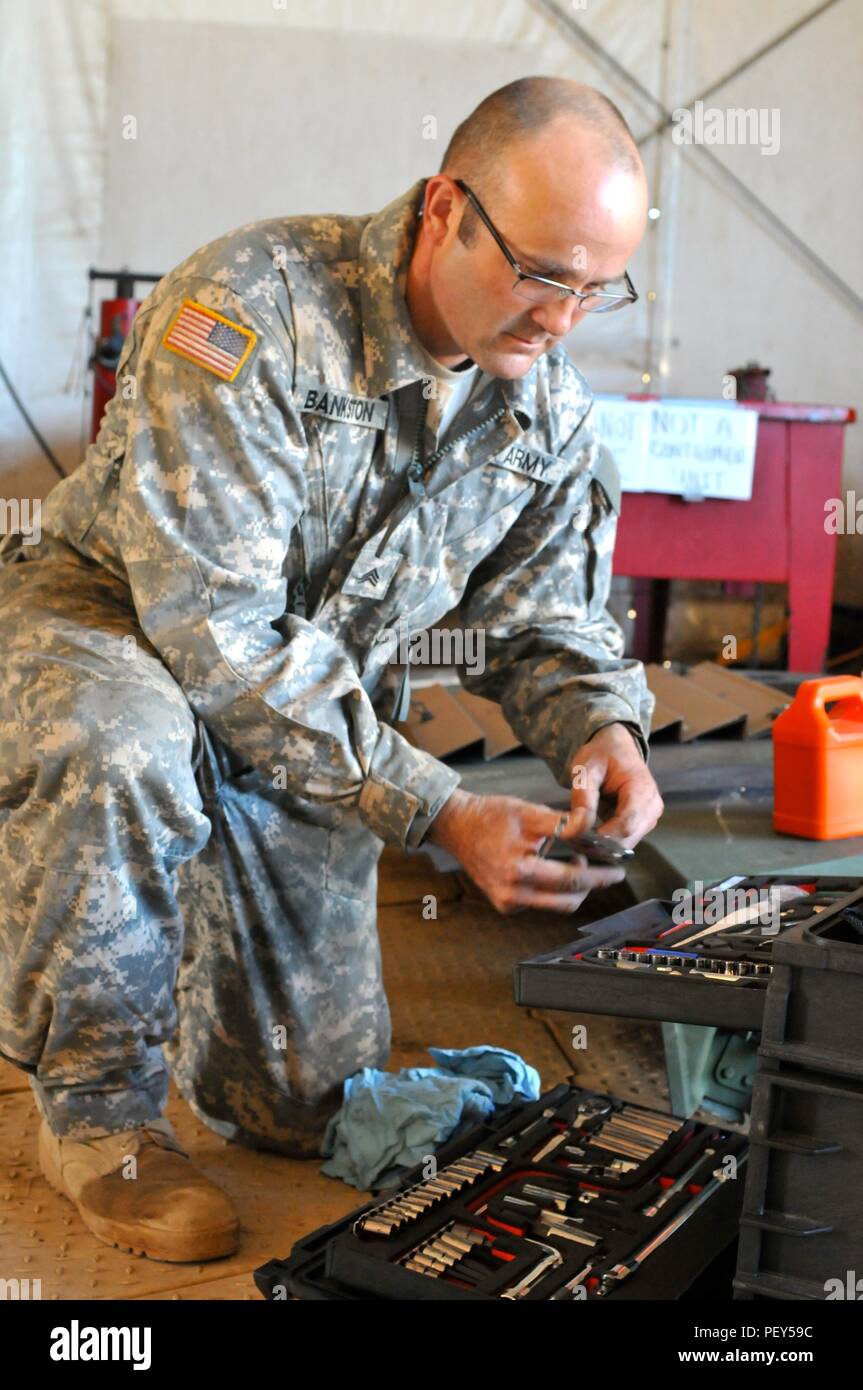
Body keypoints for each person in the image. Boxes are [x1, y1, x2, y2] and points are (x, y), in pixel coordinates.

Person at [0, 75, 662, 1262]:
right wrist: (439, 809)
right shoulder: (249, 310)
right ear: (446, 209)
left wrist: (598, 732)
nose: (561, 319)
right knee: (121, 747)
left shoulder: (539, 412)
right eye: (540, 274)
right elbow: (214, 626)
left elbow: (540, 620)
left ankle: (169, 950)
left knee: (303, 1108)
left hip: (301, 715)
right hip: (115, 634)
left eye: (594, 286)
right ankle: (99, 1116)